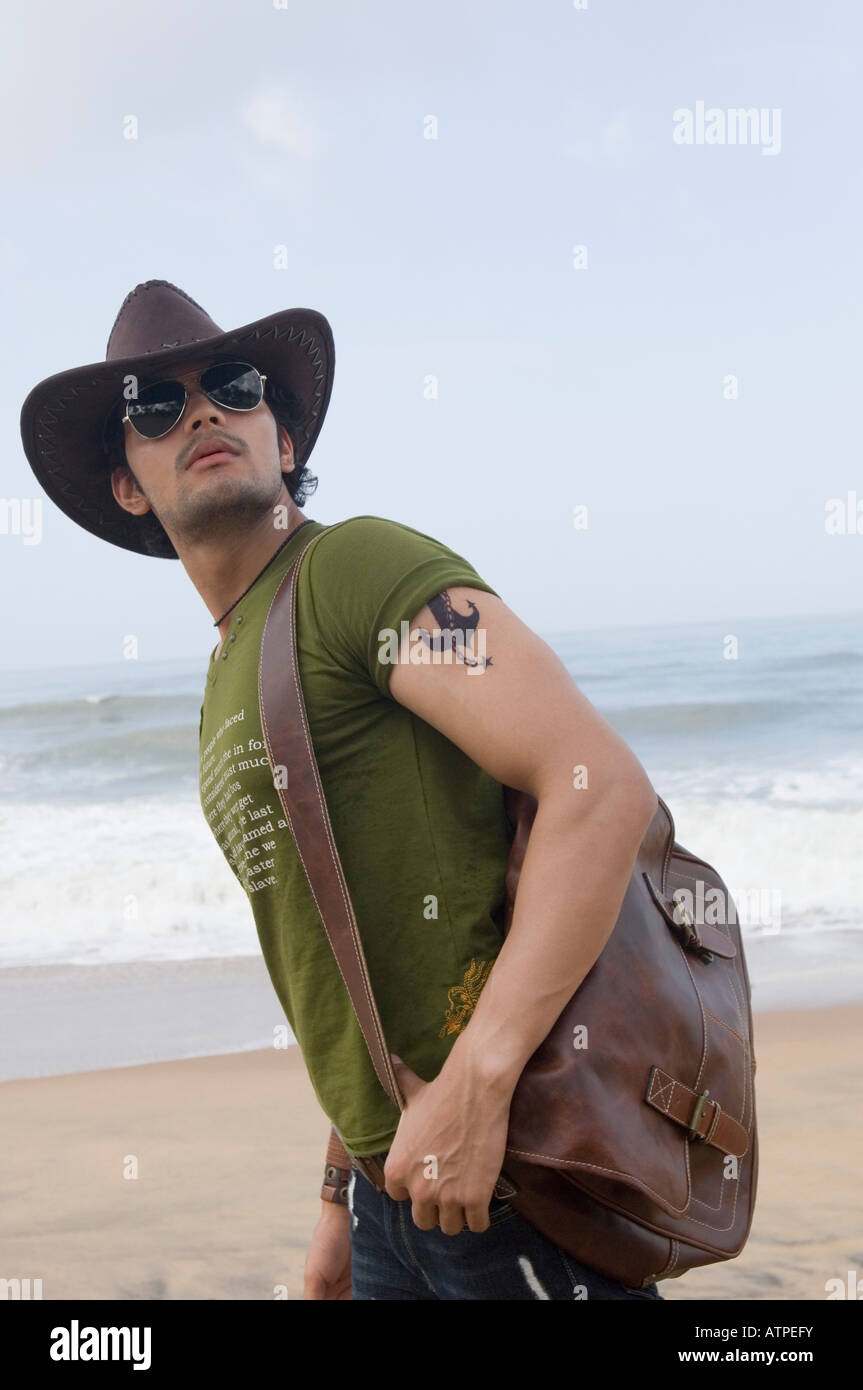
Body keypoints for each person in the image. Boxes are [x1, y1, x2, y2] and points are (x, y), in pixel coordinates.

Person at [21, 280, 663, 1301]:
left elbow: (598, 787)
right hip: (391, 1197)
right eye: (156, 404)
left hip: (504, 1174)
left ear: (282, 440)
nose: (200, 412)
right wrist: (338, 1201)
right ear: (128, 486)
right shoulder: (231, 666)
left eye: (231, 386)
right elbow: (343, 941)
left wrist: (476, 1084)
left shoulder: (358, 569)